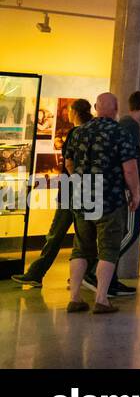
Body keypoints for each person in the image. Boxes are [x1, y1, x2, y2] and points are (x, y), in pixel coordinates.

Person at [64, 93, 140, 314]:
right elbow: (129, 168)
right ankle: (101, 299)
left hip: (81, 197)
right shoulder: (120, 132)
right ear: (116, 108)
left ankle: (75, 297)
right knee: (108, 249)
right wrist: (135, 194)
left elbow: (69, 162)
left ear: (96, 107)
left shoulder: (79, 132)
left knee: (80, 248)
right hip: (110, 199)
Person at [11, 99, 92, 287]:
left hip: (73, 189)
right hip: (85, 188)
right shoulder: (93, 132)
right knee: (84, 236)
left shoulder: (76, 133)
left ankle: (40, 274)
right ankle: (82, 275)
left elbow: (70, 163)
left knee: (59, 234)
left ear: (74, 112)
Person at [86, 90, 140, 298]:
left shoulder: (123, 126)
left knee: (118, 232)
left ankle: (109, 279)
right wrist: (135, 192)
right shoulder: (129, 127)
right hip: (123, 191)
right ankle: (96, 271)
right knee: (128, 232)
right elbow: (129, 165)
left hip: (101, 191)